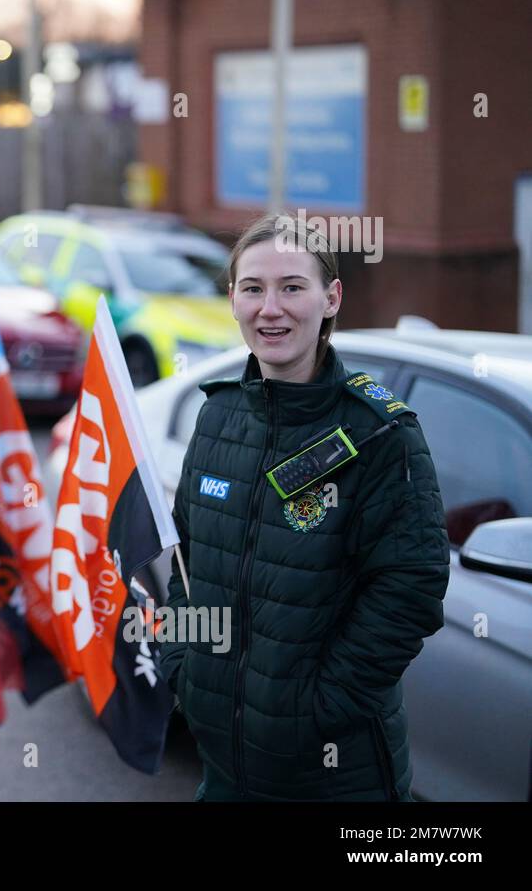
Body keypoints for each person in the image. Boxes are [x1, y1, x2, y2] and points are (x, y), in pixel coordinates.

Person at [159, 213, 450, 801]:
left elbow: (412, 589)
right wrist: (183, 665)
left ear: (331, 298)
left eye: (292, 287)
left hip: (335, 777)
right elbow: (188, 566)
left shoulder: (378, 434)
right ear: (234, 301)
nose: (272, 308)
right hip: (224, 769)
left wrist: (318, 710)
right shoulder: (215, 418)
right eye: (253, 288)